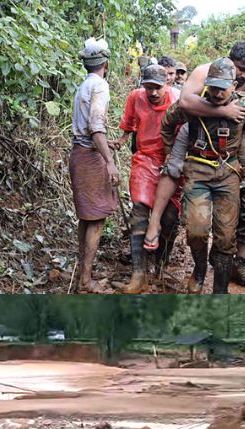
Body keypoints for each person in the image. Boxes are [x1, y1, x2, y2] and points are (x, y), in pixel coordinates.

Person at [160, 58, 245, 293]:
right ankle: (200, 270)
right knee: (196, 230)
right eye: (213, 86)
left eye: (223, 87)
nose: (217, 92)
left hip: (229, 173)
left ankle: (220, 291)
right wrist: (170, 155)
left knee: (225, 236)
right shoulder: (195, 104)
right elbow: (167, 124)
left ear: (234, 85)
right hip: (198, 171)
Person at [110, 64, 181, 292]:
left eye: (157, 88)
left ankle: (160, 268)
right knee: (139, 211)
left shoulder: (178, 100)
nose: (152, 93)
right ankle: (138, 274)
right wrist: (122, 140)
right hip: (144, 158)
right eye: (148, 87)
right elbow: (129, 122)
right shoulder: (136, 97)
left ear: (167, 84)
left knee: (170, 216)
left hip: (170, 159)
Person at [67, 39, 120, 293]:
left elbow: (86, 129)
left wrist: (105, 143)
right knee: (96, 219)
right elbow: (95, 126)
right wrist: (109, 161)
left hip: (79, 153)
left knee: (86, 217)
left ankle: (83, 275)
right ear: (106, 64)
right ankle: (86, 281)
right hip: (89, 157)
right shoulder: (100, 85)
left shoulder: (84, 85)